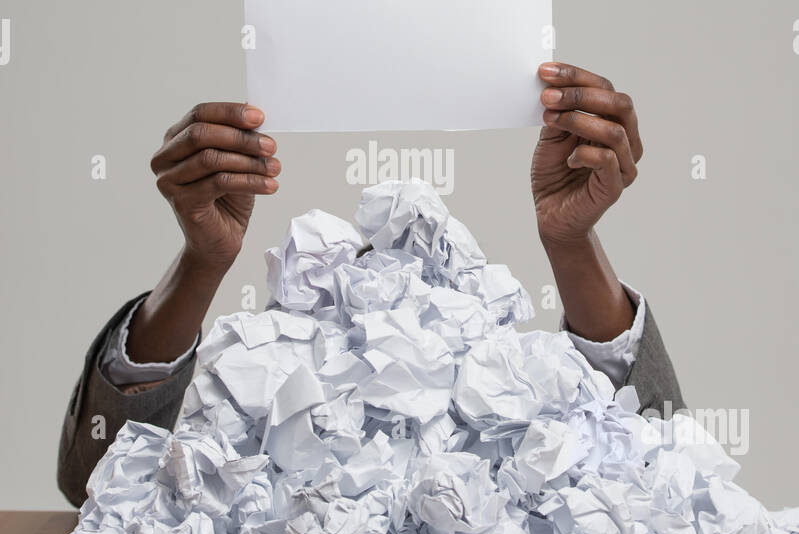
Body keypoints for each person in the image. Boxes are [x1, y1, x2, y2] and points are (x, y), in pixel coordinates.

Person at [57, 61, 684, 507]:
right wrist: (201, 260)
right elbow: (93, 478)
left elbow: (662, 466)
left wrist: (572, 243)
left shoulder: (507, 405)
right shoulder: (261, 398)